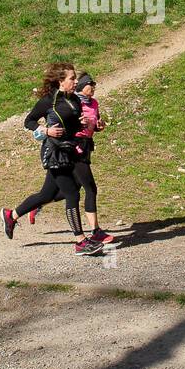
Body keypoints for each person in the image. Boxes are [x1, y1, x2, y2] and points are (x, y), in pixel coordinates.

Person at [0, 62, 102, 255]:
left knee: (46, 195)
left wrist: (88, 125)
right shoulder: (49, 101)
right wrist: (46, 130)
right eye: (72, 78)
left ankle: (11, 215)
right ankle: (80, 241)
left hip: (70, 151)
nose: (75, 81)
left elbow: (73, 127)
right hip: (54, 152)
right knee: (72, 193)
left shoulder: (75, 100)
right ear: (61, 81)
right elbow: (28, 121)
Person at [71, 72, 114, 245]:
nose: (93, 88)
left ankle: (22, 211)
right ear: (81, 86)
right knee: (90, 188)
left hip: (87, 145)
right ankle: (96, 231)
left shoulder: (94, 103)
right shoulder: (73, 101)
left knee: (61, 190)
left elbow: (94, 124)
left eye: (94, 85)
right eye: (90, 85)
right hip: (74, 148)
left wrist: (98, 126)